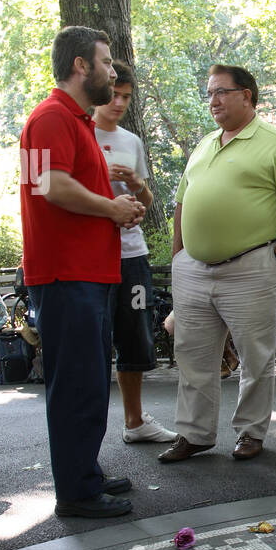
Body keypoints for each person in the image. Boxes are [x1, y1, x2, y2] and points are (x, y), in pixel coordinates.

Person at [19, 26, 145, 518]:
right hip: (66, 275)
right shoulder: (50, 117)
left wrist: (118, 207)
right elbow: (50, 188)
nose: (112, 72)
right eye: (106, 62)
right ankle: (76, 492)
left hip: (87, 274)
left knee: (90, 379)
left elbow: (53, 187)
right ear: (80, 66)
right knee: (76, 383)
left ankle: (84, 475)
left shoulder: (72, 120)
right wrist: (113, 210)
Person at [160, 65, 276, 463]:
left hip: (251, 267)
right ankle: (194, 434)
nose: (213, 100)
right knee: (192, 357)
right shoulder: (204, 144)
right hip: (193, 269)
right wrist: (178, 257)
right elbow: (181, 202)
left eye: (221, 92)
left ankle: (250, 432)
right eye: (209, 93)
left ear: (247, 96)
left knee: (255, 356)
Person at [92, 61, 176, 445]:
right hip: (91, 256)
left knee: (136, 335)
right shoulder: (80, 134)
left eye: (127, 96)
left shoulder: (132, 141)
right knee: (93, 340)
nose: (120, 102)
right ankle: (88, 433)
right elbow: (49, 189)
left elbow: (145, 200)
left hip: (132, 254)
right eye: (114, 93)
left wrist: (137, 185)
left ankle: (135, 421)